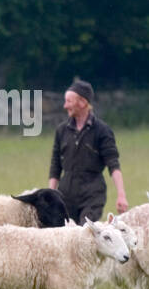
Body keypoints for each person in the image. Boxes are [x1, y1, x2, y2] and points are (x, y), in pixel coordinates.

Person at [48, 79, 128, 224]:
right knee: (66, 237)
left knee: (86, 232)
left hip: (92, 193)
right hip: (66, 194)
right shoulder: (61, 131)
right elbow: (55, 166)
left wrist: (121, 195)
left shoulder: (102, 131)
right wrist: (51, 195)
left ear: (83, 102)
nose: (65, 106)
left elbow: (113, 164)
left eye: (69, 101)